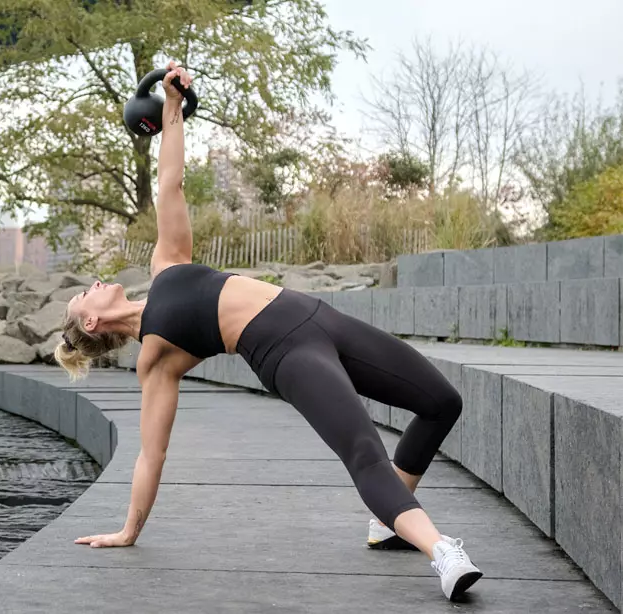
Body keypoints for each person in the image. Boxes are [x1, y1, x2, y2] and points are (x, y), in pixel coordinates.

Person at [54, 61, 483, 602]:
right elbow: (150, 455)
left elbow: (170, 181)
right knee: (364, 451)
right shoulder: (157, 359)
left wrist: (170, 106)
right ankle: (442, 551)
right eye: (83, 293)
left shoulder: (167, 264)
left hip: (319, 316)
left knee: (441, 401)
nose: (94, 282)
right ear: (90, 322)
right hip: (285, 352)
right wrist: (128, 530)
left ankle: (390, 519)